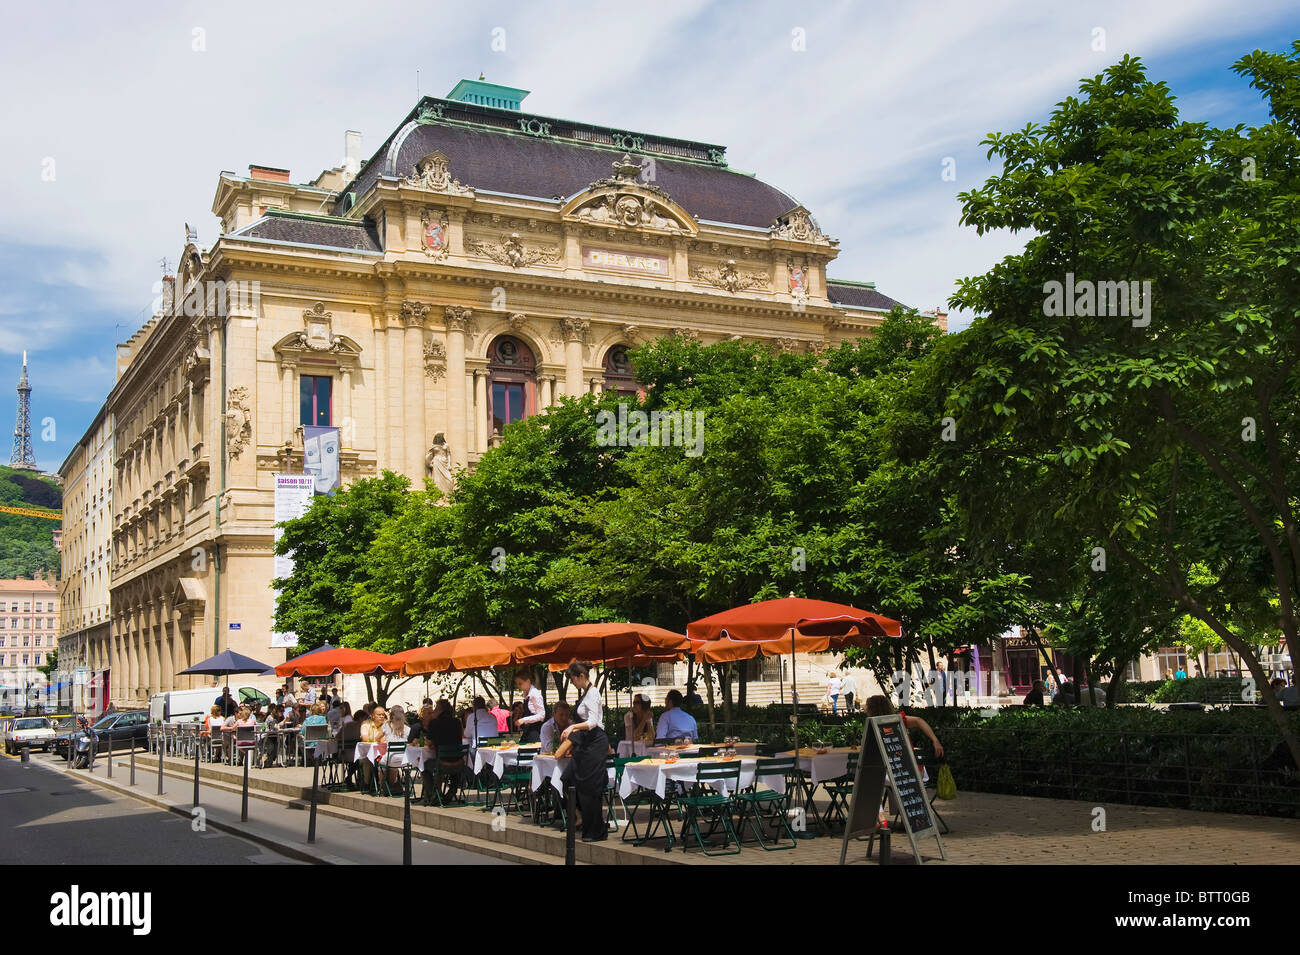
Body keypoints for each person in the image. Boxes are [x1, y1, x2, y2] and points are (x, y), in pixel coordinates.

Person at [560, 661, 608, 842]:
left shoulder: (593, 693)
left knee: (590, 787)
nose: (572, 684)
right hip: (587, 743)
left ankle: (596, 830)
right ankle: (589, 825)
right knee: (574, 780)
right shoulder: (587, 693)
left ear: (581, 677)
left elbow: (593, 721)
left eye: (573, 680)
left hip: (595, 742)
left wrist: (573, 727)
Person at [864, 694, 944, 758]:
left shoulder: (896, 721)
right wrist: (935, 740)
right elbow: (918, 720)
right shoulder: (897, 720)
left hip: (901, 766)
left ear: (872, 710)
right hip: (907, 765)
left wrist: (935, 741)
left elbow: (918, 720)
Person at [515, 668, 546, 744]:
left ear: (528, 681)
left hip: (535, 730)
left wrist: (524, 720)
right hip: (528, 730)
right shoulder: (527, 694)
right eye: (517, 684)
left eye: (520, 683)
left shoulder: (535, 694)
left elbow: (542, 715)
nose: (518, 686)